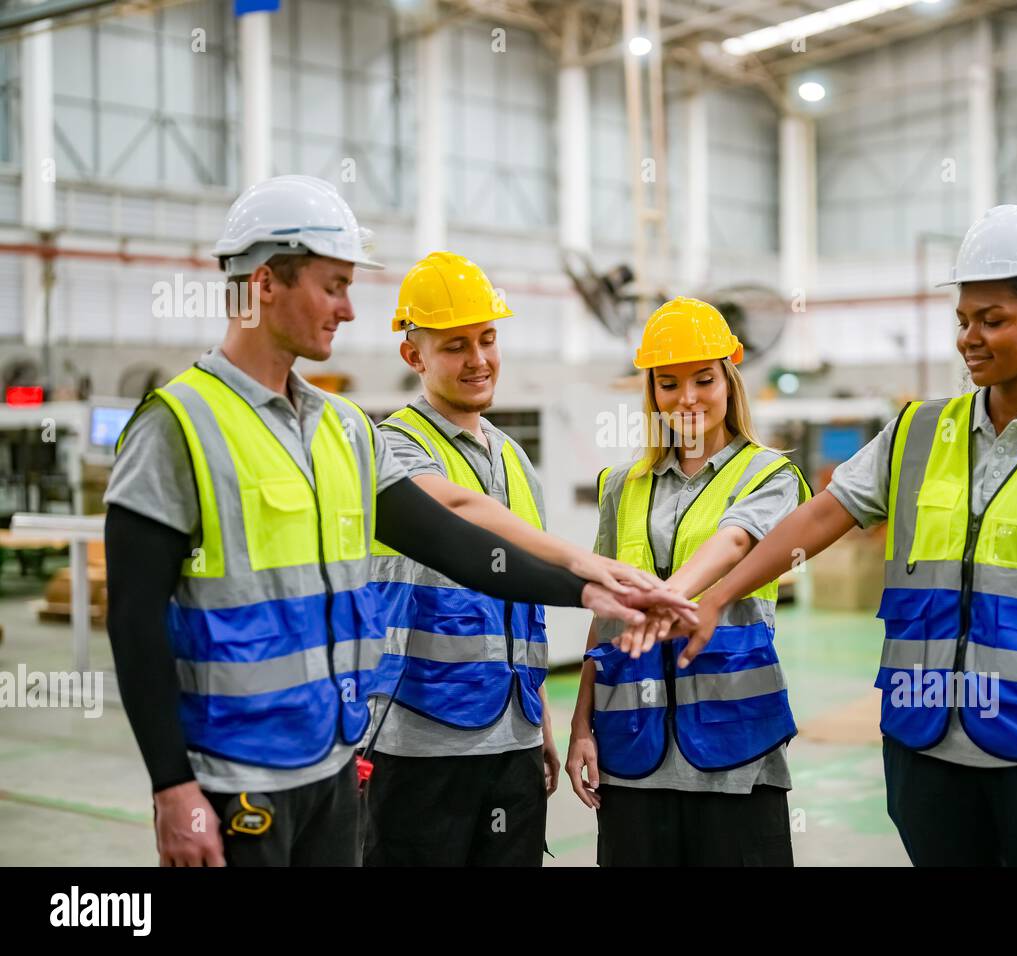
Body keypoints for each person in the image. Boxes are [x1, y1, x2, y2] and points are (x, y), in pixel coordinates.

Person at [103, 176, 694, 867]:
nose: (349, 310)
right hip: (237, 775)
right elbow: (134, 619)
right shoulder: (178, 425)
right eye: (333, 287)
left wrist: (590, 588)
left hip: (332, 762)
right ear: (264, 284)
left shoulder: (342, 429)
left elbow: (457, 542)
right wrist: (172, 786)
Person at [660, 205, 1017, 866]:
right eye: (963, 320)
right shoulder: (918, 433)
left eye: (993, 320)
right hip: (925, 752)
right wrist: (719, 596)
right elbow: (819, 518)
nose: (968, 339)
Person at [363, 252, 661, 865]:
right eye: (455, 345)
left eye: (488, 339)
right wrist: (586, 567)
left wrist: (540, 727)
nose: (478, 360)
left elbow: (522, 613)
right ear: (413, 356)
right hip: (419, 740)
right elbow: (463, 516)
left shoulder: (515, 462)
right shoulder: (389, 448)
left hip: (514, 740)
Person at [565, 297, 810, 867]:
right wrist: (581, 725)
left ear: (730, 376)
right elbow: (604, 621)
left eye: (703, 379)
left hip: (736, 752)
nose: (688, 398)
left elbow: (734, 541)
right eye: (668, 384)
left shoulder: (770, 475)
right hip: (632, 749)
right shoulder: (622, 487)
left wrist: (667, 597)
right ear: (650, 391)